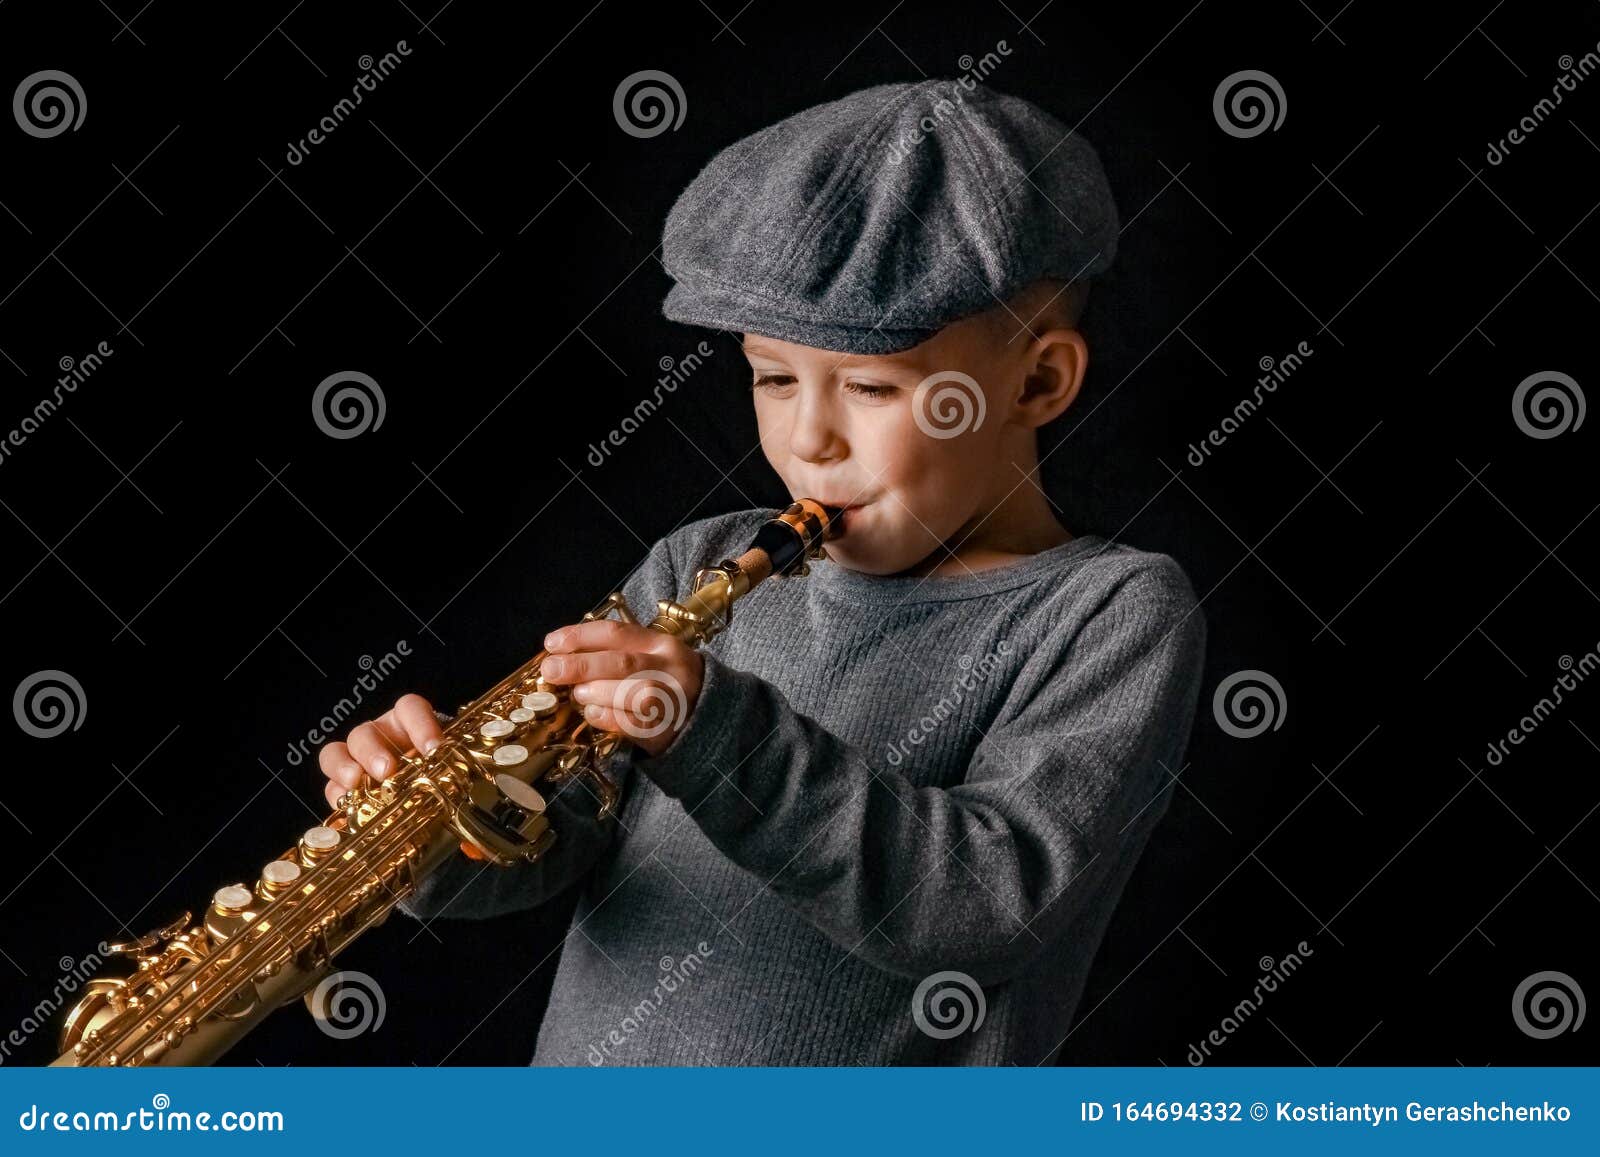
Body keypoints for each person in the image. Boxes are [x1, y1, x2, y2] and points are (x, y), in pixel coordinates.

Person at [317, 78, 1207, 1065]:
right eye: (774, 376)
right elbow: (559, 843)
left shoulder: (1110, 614)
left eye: (871, 386)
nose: (808, 439)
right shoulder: (697, 561)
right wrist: (438, 823)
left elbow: (984, 905)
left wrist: (715, 731)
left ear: (1038, 381)